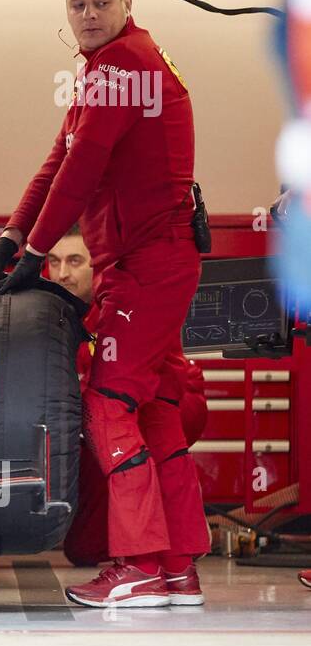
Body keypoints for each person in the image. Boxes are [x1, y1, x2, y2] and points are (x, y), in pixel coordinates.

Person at [0, 0, 210, 608]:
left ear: (126, 2)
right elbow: (57, 159)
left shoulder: (122, 66)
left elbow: (82, 168)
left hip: (147, 266)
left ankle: (137, 563)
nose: (88, 15)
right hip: (147, 265)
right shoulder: (109, 68)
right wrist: (8, 239)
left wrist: (35, 253)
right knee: (157, 412)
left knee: (108, 403)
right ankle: (175, 570)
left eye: (100, 3)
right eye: (78, 6)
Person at [46, 225, 208, 580]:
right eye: (53, 261)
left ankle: (145, 566)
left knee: (130, 426)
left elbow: (185, 402)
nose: (62, 273)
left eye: (74, 261)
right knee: (83, 550)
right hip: (92, 442)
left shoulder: (123, 306)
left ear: (97, 266)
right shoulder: (50, 317)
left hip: (147, 420)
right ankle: (174, 567)